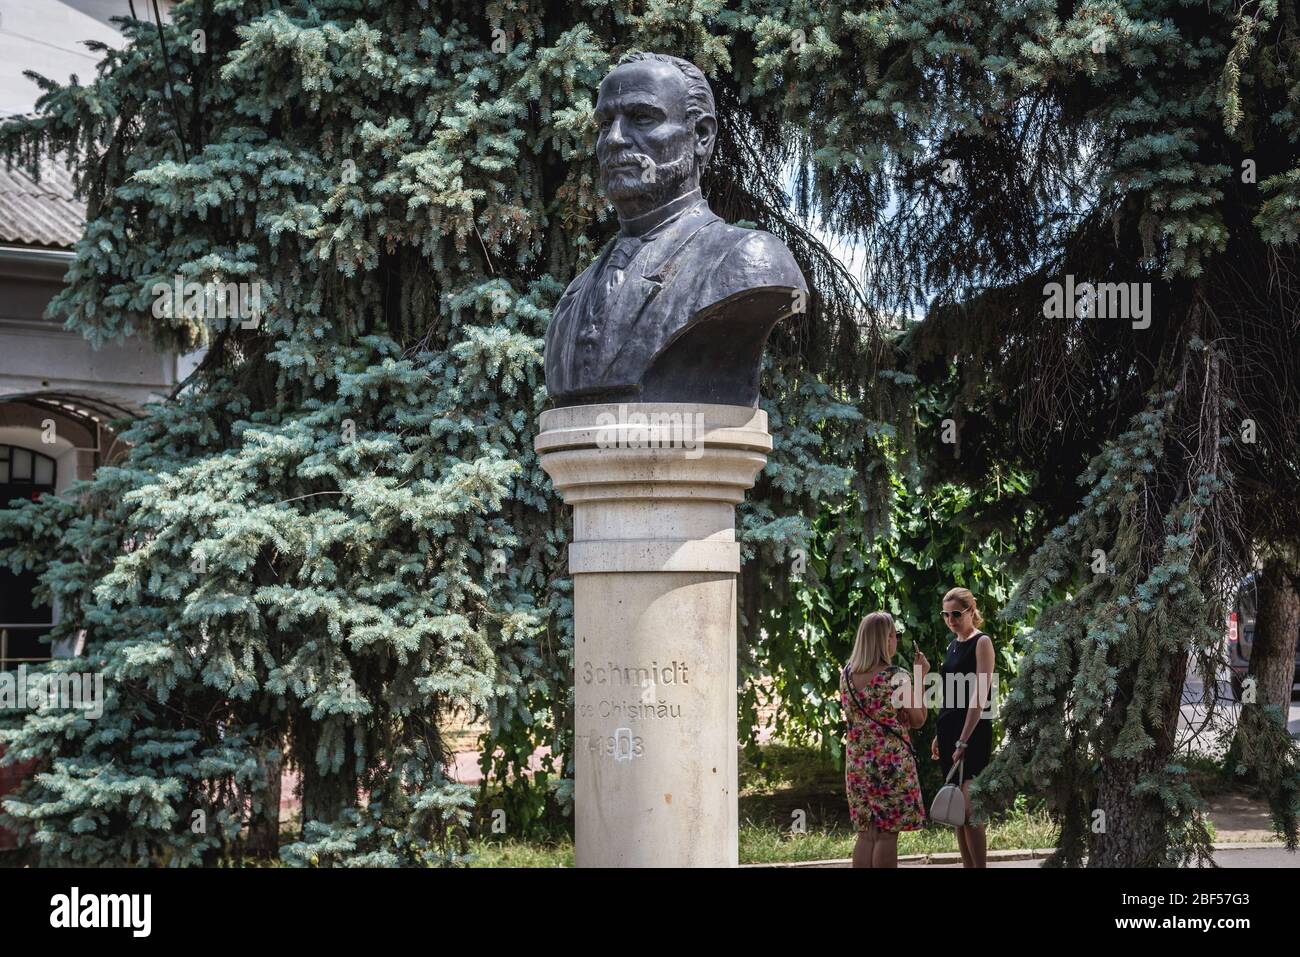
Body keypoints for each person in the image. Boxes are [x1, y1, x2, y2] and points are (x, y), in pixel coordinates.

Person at [840, 611, 929, 867]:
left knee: (867, 836)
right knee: (887, 835)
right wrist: (920, 676)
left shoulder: (846, 675)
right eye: (894, 635)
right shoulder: (896, 676)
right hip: (890, 765)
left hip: (858, 765)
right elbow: (919, 718)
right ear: (884, 640)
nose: (896, 641)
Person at [930, 587, 996, 868]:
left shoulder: (981, 642)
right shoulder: (953, 643)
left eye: (956, 614)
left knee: (970, 811)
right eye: (945, 615)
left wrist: (963, 740)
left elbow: (979, 696)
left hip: (973, 733)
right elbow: (950, 694)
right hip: (949, 731)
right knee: (956, 812)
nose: (950, 619)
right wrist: (939, 735)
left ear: (971, 611)